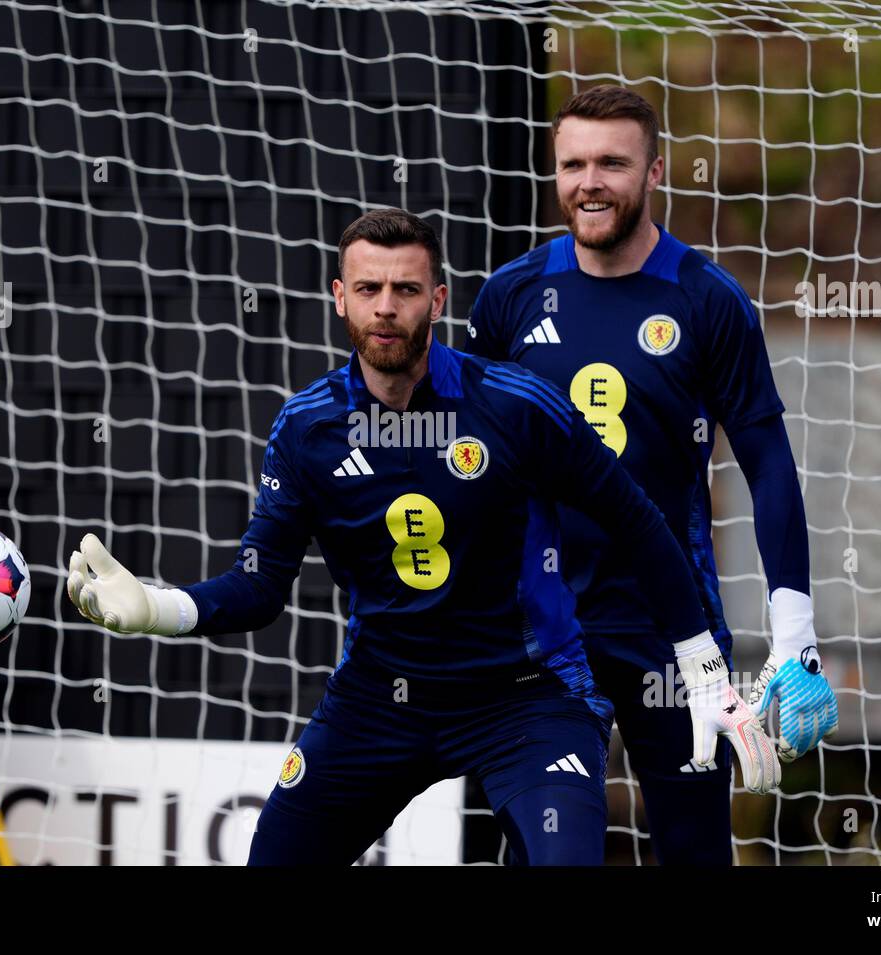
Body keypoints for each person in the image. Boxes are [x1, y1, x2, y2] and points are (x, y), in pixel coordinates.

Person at [66, 208, 777, 866]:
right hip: (382, 695)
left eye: (405, 289)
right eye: (368, 288)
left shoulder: (515, 405)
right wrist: (158, 608)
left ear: (437, 302)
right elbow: (257, 587)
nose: (385, 307)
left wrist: (703, 669)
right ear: (339, 297)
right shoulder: (307, 429)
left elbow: (637, 520)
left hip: (528, 698)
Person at [464, 85, 837, 865]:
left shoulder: (707, 300)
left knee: (694, 848)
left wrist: (795, 634)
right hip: (545, 630)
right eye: (573, 163)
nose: (589, 181)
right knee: (541, 849)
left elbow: (769, 462)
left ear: (656, 170)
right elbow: (475, 468)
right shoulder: (509, 297)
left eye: (612, 163)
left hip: (676, 638)